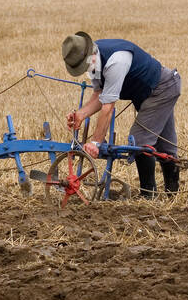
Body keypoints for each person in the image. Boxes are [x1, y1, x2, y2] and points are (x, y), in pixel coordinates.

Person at [61, 31, 181, 197]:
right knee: (165, 146)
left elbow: (108, 107)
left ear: (90, 54)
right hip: (149, 94)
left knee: (140, 139)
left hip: (162, 89)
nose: (85, 70)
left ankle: (148, 195)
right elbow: (99, 95)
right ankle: (172, 195)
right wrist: (81, 114)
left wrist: (95, 142)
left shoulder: (116, 61)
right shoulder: (95, 60)